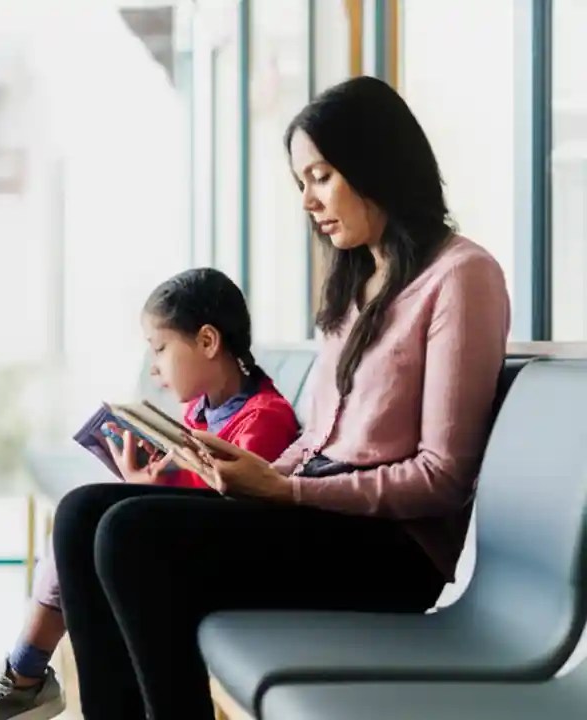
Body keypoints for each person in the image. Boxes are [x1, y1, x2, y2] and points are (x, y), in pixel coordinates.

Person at [52, 75, 511, 719]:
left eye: (320, 177)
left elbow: (442, 479)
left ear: (374, 160)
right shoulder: (357, 285)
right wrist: (253, 474)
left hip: (389, 550)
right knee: (81, 516)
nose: (308, 201)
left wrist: (286, 491)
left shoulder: (463, 276)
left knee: (129, 536)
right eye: (302, 183)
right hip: (320, 518)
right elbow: (321, 441)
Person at [0, 268, 299, 720]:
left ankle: (24, 674)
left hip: (226, 556)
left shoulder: (264, 418)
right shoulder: (200, 411)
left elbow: (236, 513)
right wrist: (152, 479)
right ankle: (25, 673)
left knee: (92, 528)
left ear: (208, 342)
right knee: (81, 521)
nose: (153, 367)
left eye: (160, 349)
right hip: (175, 536)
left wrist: (147, 492)